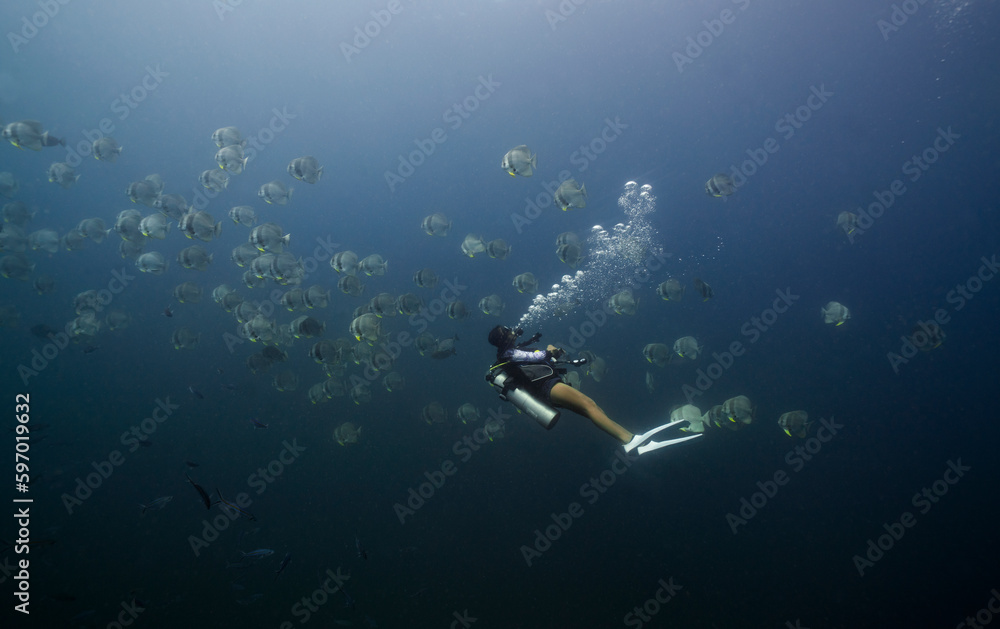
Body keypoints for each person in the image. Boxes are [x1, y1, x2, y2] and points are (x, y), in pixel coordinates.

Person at [486, 325, 700, 455]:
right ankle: (630, 440)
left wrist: (550, 354)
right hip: (548, 387)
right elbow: (536, 358)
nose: (512, 330)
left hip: (547, 387)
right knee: (589, 405)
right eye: (507, 330)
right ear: (503, 337)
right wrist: (549, 351)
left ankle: (633, 440)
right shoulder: (508, 354)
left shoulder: (510, 352)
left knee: (591, 409)